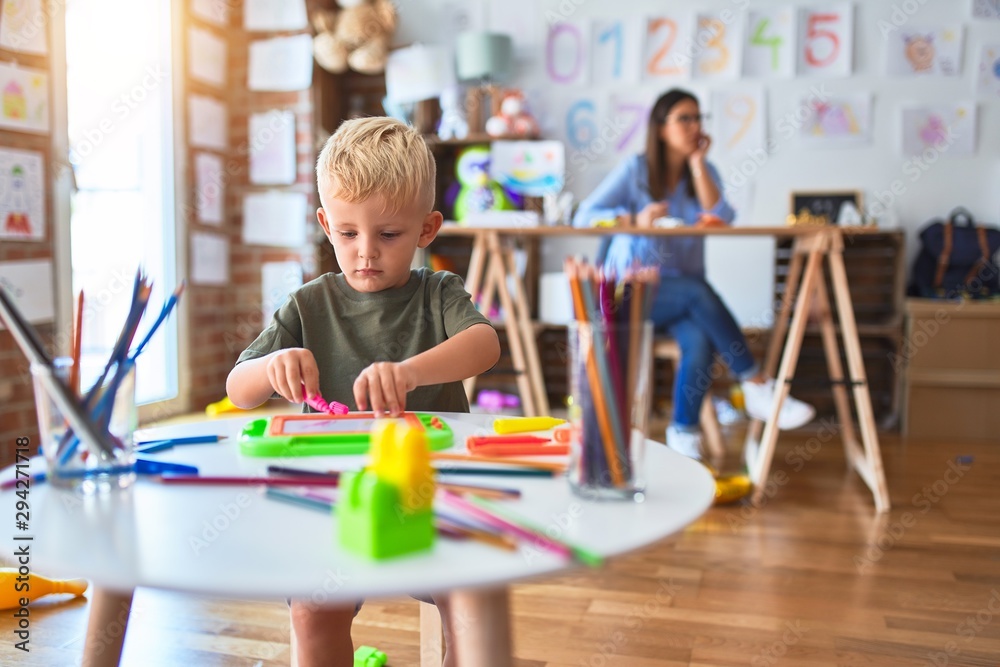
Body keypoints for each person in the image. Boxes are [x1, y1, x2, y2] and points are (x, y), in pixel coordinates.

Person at [226, 116, 501, 667]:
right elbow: (239, 390)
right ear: (326, 224)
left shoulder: (438, 291)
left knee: (472, 601)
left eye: (389, 234)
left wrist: (410, 372)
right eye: (348, 234)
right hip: (328, 493)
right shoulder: (307, 304)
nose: (365, 252)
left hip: (430, 489)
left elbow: (484, 344)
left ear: (426, 229)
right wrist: (273, 365)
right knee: (311, 608)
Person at [572, 88, 814, 460]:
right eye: (684, 118)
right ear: (661, 127)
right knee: (697, 292)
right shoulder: (635, 171)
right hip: (630, 296)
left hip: (679, 300)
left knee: (699, 337)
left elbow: (723, 216)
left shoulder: (702, 172)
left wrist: (699, 161)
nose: (694, 126)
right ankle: (754, 382)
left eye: (698, 118)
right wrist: (633, 220)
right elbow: (583, 216)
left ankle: (683, 434)